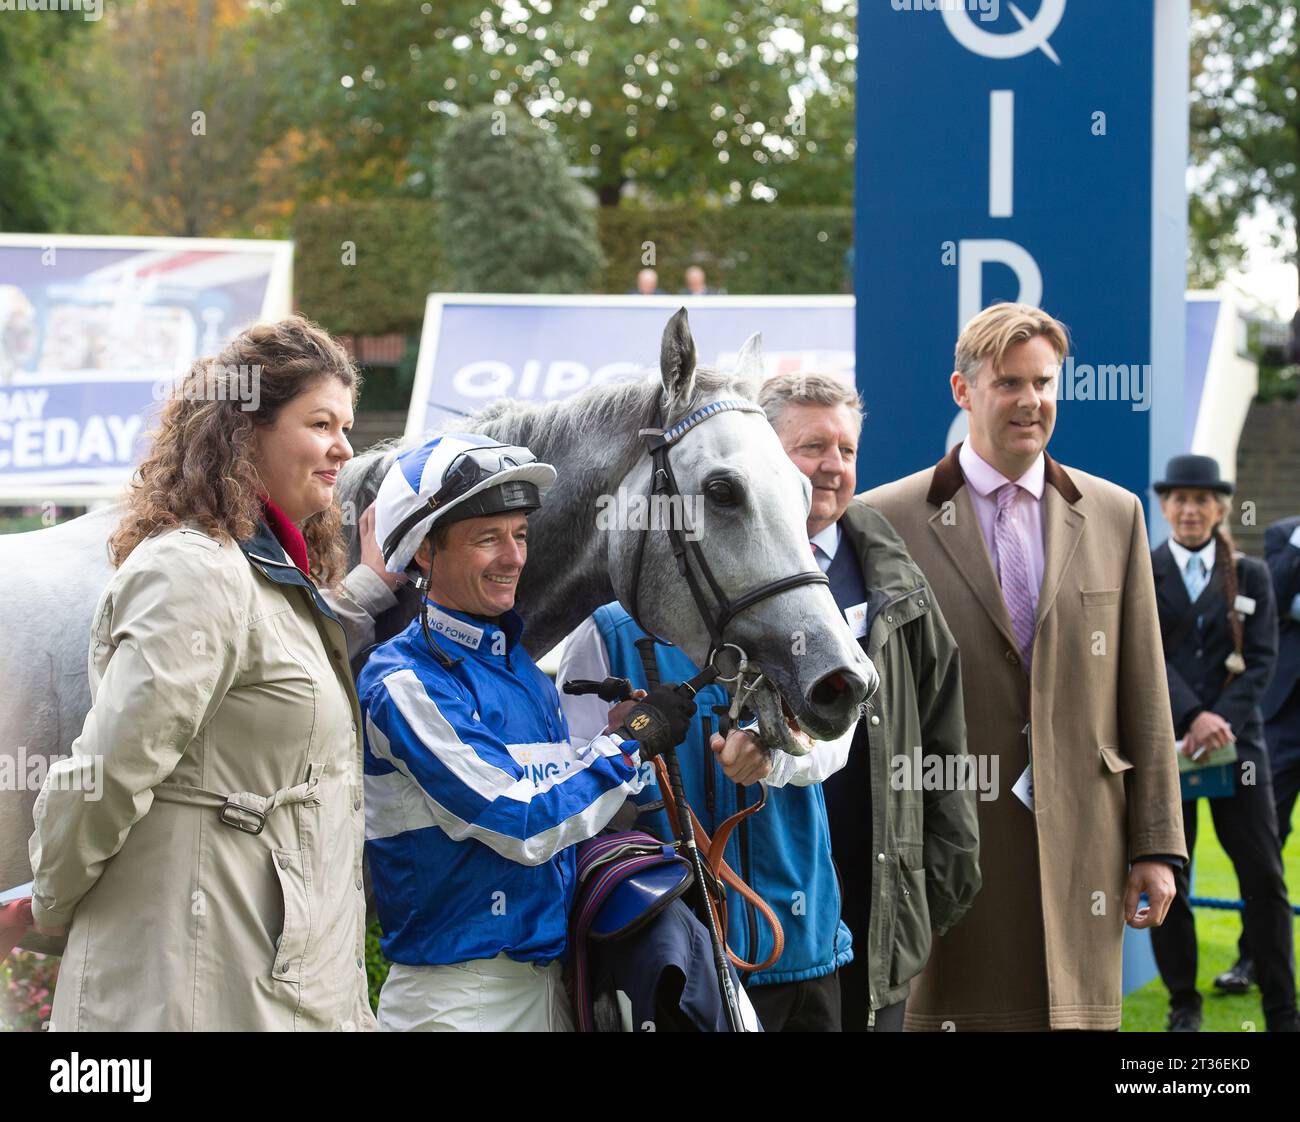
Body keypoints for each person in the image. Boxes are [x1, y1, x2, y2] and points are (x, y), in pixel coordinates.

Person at [559, 371, 980, 1033]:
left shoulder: (814, 607)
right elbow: (578, 797)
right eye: (811, 448)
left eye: (846, 450)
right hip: (675, 948)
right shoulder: (610, 627)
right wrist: (636, 743)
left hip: (803, 939)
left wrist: (777, 752)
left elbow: (841, 735)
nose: (831, 469)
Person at [27, 317, 383, 1031]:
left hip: (264, 982)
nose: (344, 447)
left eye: (346, 425)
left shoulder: (269, 575)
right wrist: (51, 903)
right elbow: (107, 773)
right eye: (321, 423)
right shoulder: (194, 570)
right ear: (245, 430)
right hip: (190, 987)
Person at [864, 302, 1186, 1032]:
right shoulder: (884, 519)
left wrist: (1158, 845)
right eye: (1009, 383)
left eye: (1044, 383)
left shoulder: (1115, 514)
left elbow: (1144, 688)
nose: (1030, 402)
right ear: (962, 390)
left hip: (1084, 845)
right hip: (946, 843)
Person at [358, 433, 693, 1031]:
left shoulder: (522, 672)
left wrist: (617, 745)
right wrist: (629, 745)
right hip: (456, 1001)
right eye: (488, 538)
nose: (514, 557)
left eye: (520, 535)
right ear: (423, 553)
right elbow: (520, 820)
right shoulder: (403, 679)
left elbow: (557, 802)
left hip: (550, 986)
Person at [1148, 462, 1297, 1031]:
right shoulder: (1146, 568)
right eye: (1180, 499)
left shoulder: (1252, 574)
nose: (1190, 509)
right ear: (1165, 506)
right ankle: (1183, 1004)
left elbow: (1263, 661)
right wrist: (1192, 716)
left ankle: (1283, 1010)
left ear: (1221, 509)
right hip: (1168, 746)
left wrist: (1218, 722)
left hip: (1242, 752)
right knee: (1167, 878)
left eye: (1202, 500)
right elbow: (1148, 656)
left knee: (1264, 877)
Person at [1220, 513, 1300, 995]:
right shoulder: (1282, 534)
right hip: (1285, 717)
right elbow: (1275, 596)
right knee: (1264, 845)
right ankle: (1252, 958)